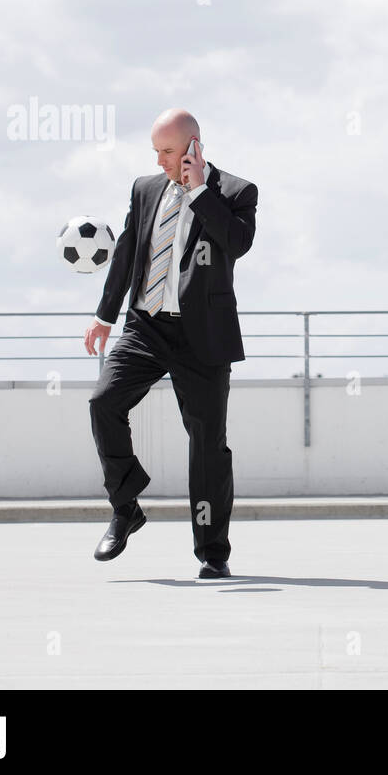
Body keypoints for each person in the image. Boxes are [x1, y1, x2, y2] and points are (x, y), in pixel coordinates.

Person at [82, 108, 258, 579]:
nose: (160, 160)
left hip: (201, 336)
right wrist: (104, 316)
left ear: (194, 147)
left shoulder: (236, 192)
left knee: (207, 445)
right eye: (155, 151)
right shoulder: (144, 190)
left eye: (168, 151)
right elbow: (126, 255)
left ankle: (212, 551)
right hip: (146, 326)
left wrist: (199, 190)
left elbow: (236, 243)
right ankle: (126, 506)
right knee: (103, 404)